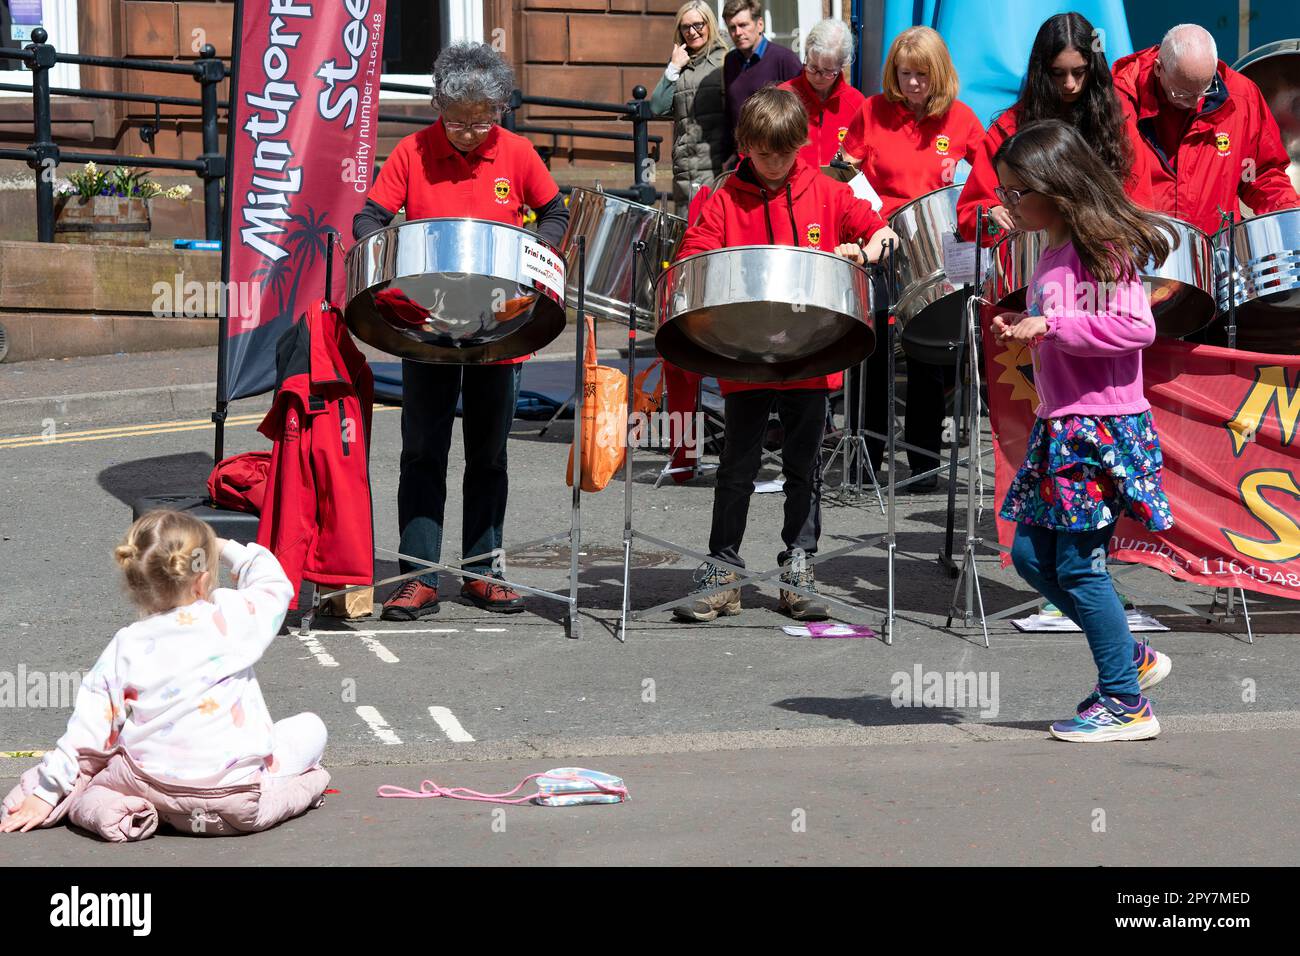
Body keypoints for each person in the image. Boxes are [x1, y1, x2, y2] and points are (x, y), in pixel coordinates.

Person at [352, 42, 569, 619]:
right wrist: (388, 274)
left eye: (482, 122)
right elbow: (371, 217)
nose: (471, 134)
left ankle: (482, 570)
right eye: (458, 123)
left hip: (497, 329)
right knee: (422, 452)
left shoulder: (517, 153)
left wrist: (532, 256)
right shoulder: (413, 152)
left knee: (489, 455)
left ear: (499, 110)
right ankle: (418, 577)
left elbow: (556, 214)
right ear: (437, 109)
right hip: (427, 327)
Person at [670, 86, 899, 623]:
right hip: (746, 349)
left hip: (810, 350)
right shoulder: (724, 199)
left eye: (783, 152)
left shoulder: (829, 192)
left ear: (800, 144)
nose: (773, 163)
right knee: (736, 466)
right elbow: (693, 260)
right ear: (746, 145)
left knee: (804, 468)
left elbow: (883, 233)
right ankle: (722, 569)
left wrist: (862, 249)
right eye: (761, 152)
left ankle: (799, 565)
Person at [991, 120, 1175, 742]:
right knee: (1027, 556)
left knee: (1076, 565)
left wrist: (1050, 327)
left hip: (1099, 430)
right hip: (1063, 427)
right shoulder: (1053, 247)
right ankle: (1130, 656)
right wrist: (1029, 319)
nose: (1009, 204)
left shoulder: (1104, 247)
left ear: (1056, 185)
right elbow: (1067, 317)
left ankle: (1126, 704)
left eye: (1017, 192)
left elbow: (1136, 329)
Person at [0, 510, 327, 834]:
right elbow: (274, 584)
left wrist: (45, 794)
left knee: (108, 758)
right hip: (232, 798)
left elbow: (87, 732)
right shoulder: (232, 620)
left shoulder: (127, 644)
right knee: (310, 729)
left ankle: (94, 803)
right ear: (201, 577)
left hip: (150, 786)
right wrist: (223, 545)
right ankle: (309, 782)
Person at [839, 25, 985, 489]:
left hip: (935, 248)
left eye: (922, 75)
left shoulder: (960, 120)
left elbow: (984, 181)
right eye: (905, 75)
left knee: (927, 354)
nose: (913, 85)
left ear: (938, 74)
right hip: (881, 240)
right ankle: (868, 457)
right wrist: (868, 220)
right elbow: (845, 174)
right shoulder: (872, 112)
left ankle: (924, 462)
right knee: (874, 351)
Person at [956, 11, 1152, 243]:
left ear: (1094, 68)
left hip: (1103, 262)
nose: (1070, 84)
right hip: (1033, 271)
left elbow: (1142, 207)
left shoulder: (1117, 123)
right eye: (1058, 73)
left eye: (1079, 72)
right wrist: (992, 215)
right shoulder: (1009, 127)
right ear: (1041, 71)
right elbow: (971, 217)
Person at [1111, 23, 1300, 236]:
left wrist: (1292, 219)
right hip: (1138, 252)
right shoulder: (1118, 101)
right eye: (1182, 94)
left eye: (1204, 90)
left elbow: (1264, 176)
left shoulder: (1242, 98)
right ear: (1158, 69)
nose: (1195, 103)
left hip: (1212, 255)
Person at [651, 0, 729, 217]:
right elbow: (657, 107)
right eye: (686, 27)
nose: (692, 32)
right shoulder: (678, 62)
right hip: (685, 170)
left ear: (709, 24)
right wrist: (673, 67)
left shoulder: (724, 58)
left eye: (698, 25)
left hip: (715, 166)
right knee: (689, 239)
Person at [720, 0, 803, 166]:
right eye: (732, 27)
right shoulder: (730, 61)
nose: (738, 32)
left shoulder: (785, 60)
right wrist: (729, 154)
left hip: (775, 160)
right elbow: (730, 112)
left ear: (759, 24)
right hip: (742, 161)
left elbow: (802, 115)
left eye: (743, 25)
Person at [778, 18, 865, 170]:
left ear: (842, 65)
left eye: (827, 71)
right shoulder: (783, 96)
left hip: (837, 191)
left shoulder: (856, 103)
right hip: (792, 189)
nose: (818, 77)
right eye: (812, 67)